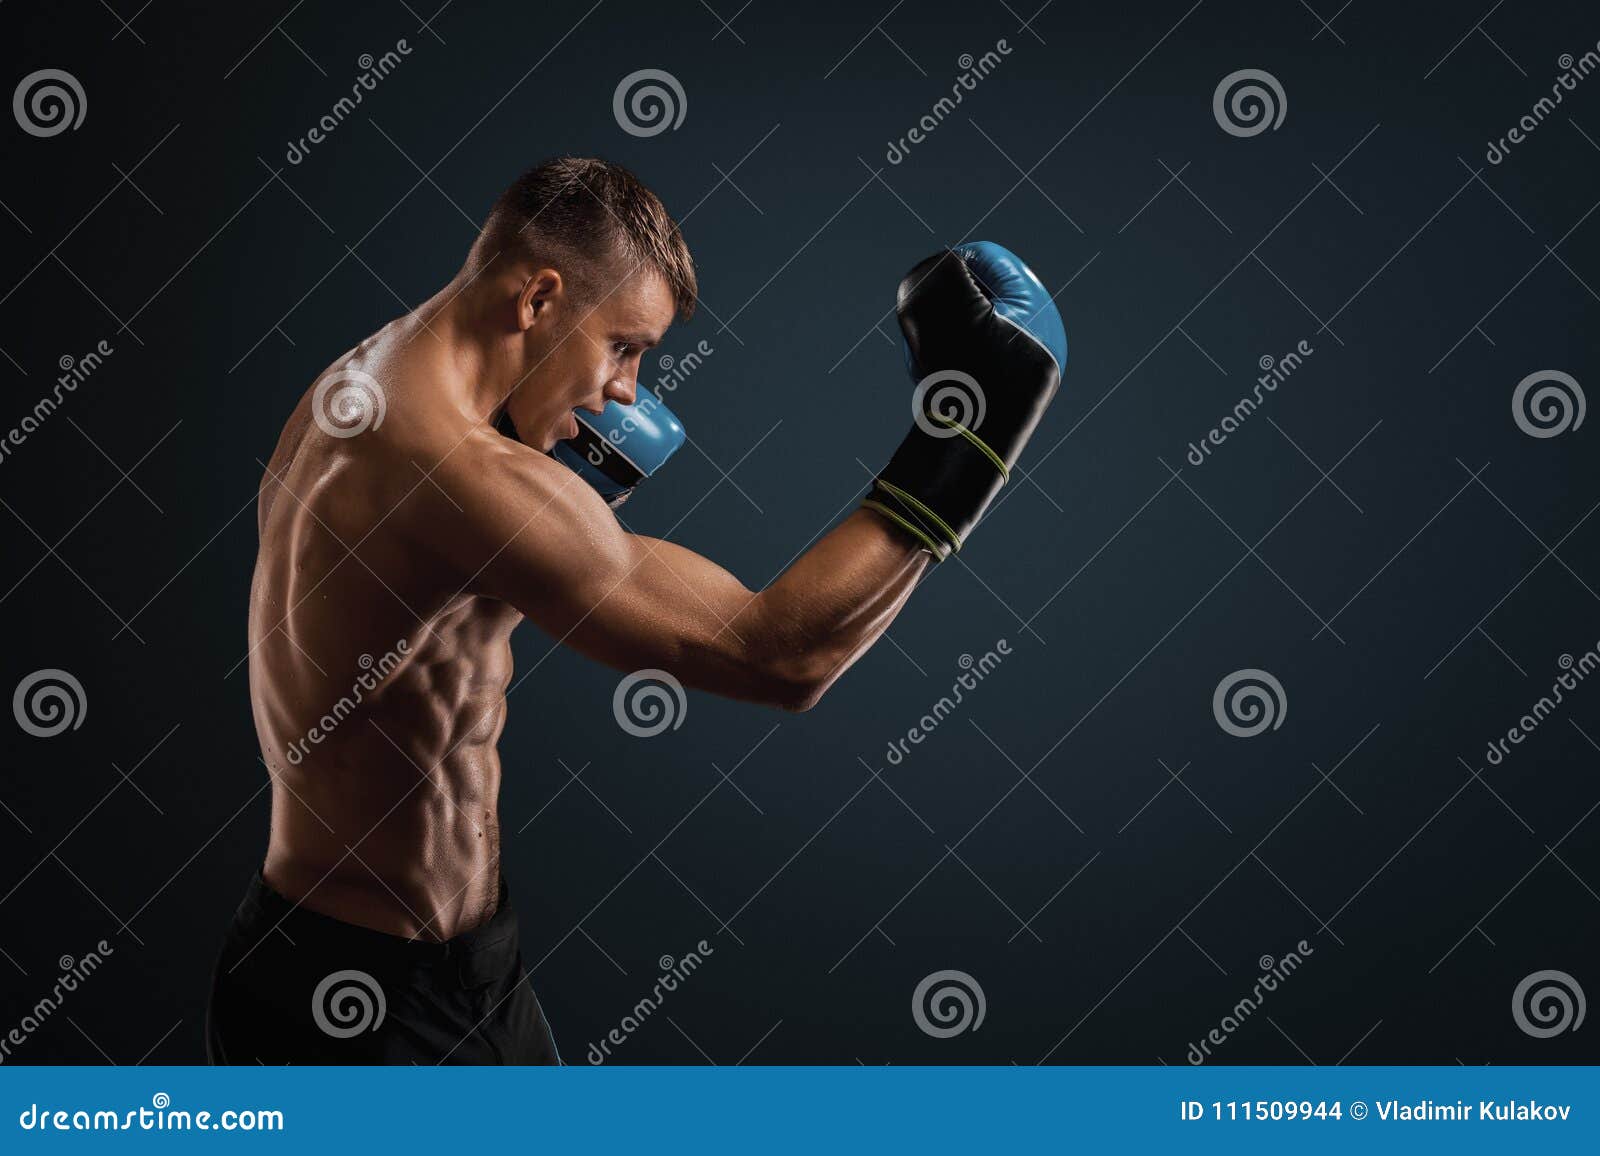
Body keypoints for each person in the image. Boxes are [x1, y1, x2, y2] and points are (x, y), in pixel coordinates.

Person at [206, 156, 1066, 1064]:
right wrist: (975, 433)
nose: (625, 389)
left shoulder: (381, 381)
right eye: (623, 345)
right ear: (537, 298)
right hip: (358, 1013)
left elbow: (469, 594)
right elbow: (776, 657)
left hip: (453, 971)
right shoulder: (455, 474)